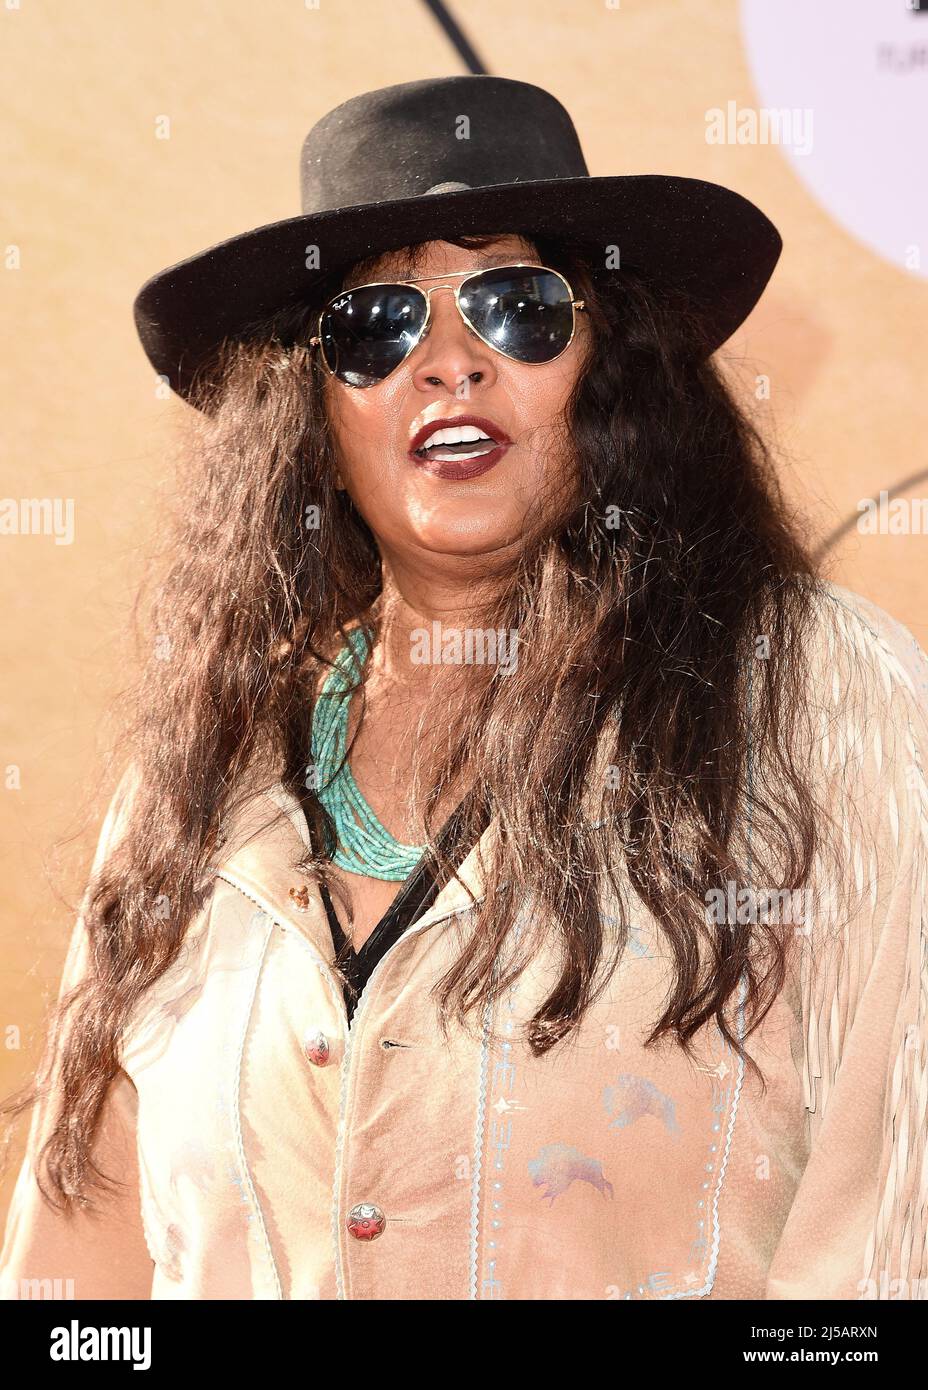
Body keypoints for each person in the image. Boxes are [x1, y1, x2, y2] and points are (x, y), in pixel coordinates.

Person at [1, 75, 926, 1302]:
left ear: (610, 363)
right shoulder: (202, 773)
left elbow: (887, 1235)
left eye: (516, 306)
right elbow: (81, 1274)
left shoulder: (818, 701)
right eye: (376, 324)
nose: (448, 362)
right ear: (312, 410)